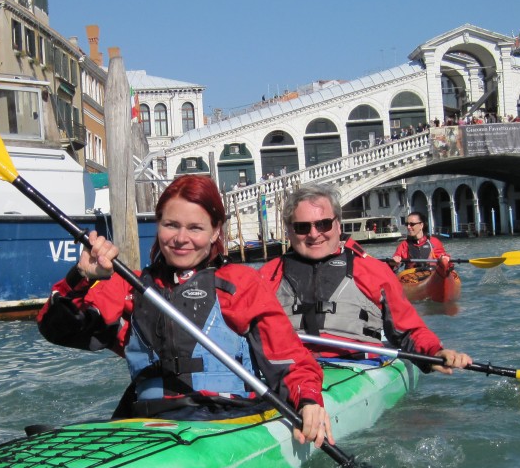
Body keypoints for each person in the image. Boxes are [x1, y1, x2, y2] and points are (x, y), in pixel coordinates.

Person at [36, 175, 335, 448]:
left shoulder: (239, 284)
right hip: (148, 422)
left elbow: (291, 359)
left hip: (227, 420)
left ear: (215, 231)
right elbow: (56, 330)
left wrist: (308, 400)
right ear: (158, 224)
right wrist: (81, 277)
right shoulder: (130, 286)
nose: (181, 238)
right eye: (171, 225)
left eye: (195, 228)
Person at [259, 183, 472, 373]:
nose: (314, 234)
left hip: (355, 366)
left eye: (323, 224)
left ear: (338, 225)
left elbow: (409, 331)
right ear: (289, 230)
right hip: (287, 369)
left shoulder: (373, 271)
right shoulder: (267, 276)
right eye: (302, 227)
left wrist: (434, 351)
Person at [387, 211, 452, 275]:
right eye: (407, 224)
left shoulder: (434, 242)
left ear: (421, 225)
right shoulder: (404, 245)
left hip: (432, 275)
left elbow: (444, 259)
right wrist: (393, 263)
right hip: (411, 278)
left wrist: (445, 259)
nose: (408, 227)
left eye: (412, 224)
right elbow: (393, 266)